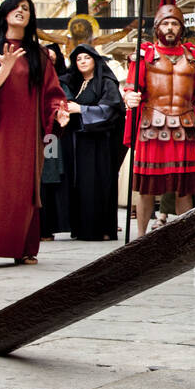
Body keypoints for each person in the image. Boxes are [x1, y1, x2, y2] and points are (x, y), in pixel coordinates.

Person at [0, 0, 69, 267]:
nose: (22, 11)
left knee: (23, 189)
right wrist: (4, 69)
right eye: (17, 7)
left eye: (27, 8)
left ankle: (23, 248)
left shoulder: (40, 54)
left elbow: (51, 92)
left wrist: (59, 110)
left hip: (26, 132)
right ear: (5, 12)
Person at [122, 0, 195, 237]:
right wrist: (129, 98)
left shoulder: (193, 56)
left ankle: (182, 242)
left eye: (175, 23)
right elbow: (131, 90)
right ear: (157, 27)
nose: (170, 27)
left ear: (181, 27)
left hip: (185, 127)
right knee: (147, 189)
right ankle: (140, 239)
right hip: (150, 126)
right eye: (165, 23)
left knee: (185, 189)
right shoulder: (143, 54)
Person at [61, 43, 124, 241]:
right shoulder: (75, 84)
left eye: (86, 58)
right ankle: (82, 228)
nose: (82, 62)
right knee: (82, 185)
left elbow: (110, 111)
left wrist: (81, 110)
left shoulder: (106, 82)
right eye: (78, 59)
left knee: (100, 184)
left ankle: (102, 229)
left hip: (101, 144)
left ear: (95, 60)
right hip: (79, 142)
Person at [39, 42, 70, 240]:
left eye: (52, 58)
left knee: (49, 179)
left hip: (52, 137)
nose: (49, 61)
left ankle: (48, 226)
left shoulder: (62, 81)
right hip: (34, 134)